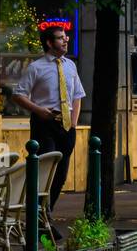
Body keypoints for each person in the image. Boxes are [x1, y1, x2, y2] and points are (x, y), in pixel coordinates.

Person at [11, 26, 85, 210]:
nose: (65, 40)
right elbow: (18, 95)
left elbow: (77, 95)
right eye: (60, 38)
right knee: (45, 170)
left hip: (66, 125)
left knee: (60, 174)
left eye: (65, 37)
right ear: (49, 43)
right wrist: (38, 110)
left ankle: (46, 212)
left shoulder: (70, 65)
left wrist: (74, 123)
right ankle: (38, 215)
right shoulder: (36, 67)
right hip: (45, 122)